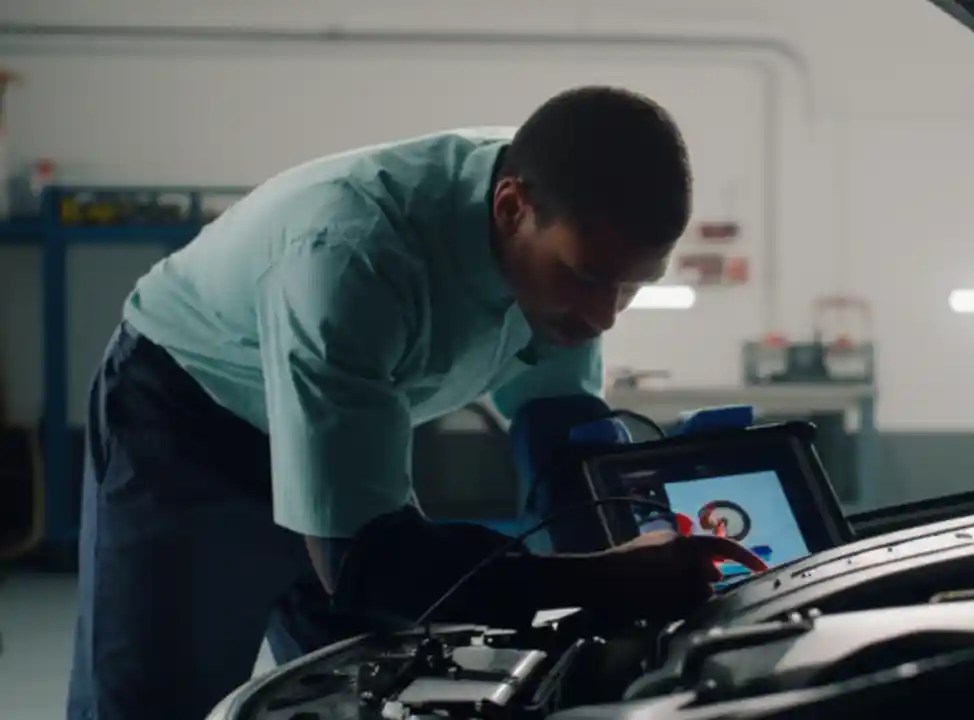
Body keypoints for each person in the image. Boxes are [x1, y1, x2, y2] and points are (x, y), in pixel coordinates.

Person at [66, 86, 767, 720]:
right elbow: (370, 563)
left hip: (337, 419)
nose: (605, 316)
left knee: (387, 691)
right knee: (152, 705)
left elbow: (558, 427)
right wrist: (608, 580)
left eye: (631, 287)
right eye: (587, 279)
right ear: (511, 209)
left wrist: (626, 556)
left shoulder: (562, 224)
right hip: (188, 420)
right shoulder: (355, 254)